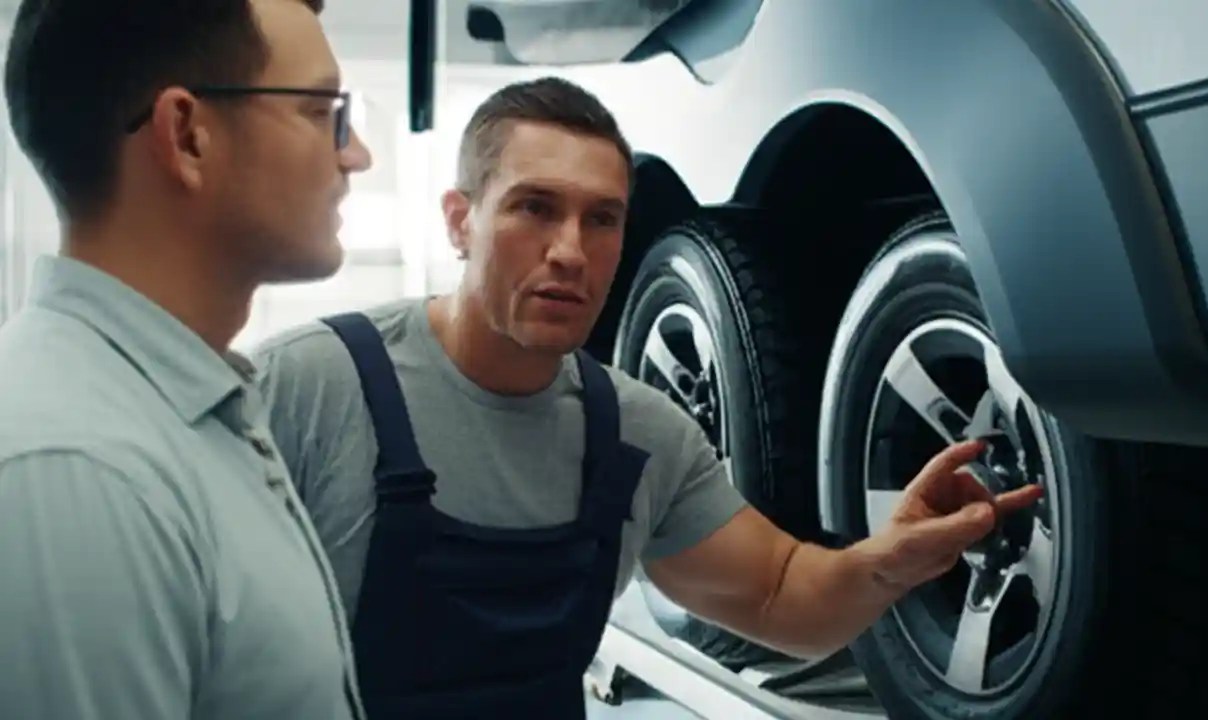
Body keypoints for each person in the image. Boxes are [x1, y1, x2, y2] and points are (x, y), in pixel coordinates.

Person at [251, 76, 1042, 719]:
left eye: (602, 219)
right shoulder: (308, 389)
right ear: (461, 222)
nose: (571, 251)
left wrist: (891, 560)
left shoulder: (638, 435)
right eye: (534, 208)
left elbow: (780, 599)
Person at [0, 1, 373, 719]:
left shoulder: (179, 411)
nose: (356, 154)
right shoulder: (79, 470)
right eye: (321, 111)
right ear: (187, 136)